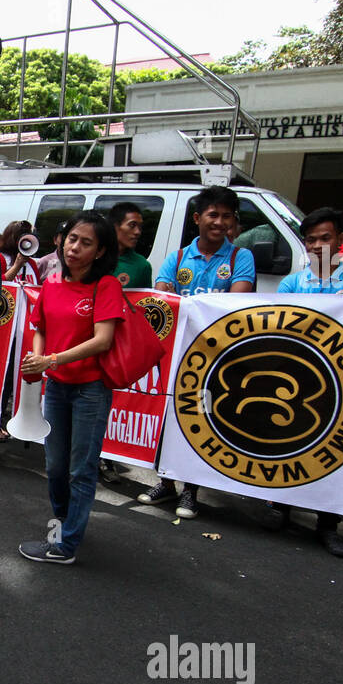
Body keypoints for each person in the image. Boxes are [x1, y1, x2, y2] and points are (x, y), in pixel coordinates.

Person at [262, 207, 343, 558]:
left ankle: (327, 524)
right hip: (295, 380)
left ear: (341, 242)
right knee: (287, 441)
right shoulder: (291, 284)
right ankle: (280, 507)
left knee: (331, 450)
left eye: (325, 238)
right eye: (311, 240)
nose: (318, 245)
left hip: (340, 385)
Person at [16, 210, 124, 565]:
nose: (75, 248)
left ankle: (65, 545)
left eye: (86, 243)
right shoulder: (52, 283)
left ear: (101, 251)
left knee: (81, 468)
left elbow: (103, 340)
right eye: (72, 239)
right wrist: (38, 358)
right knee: (56, 466)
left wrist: (51, 360)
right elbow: (40, 328)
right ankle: (64, 525)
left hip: (90, 389)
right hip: (57, 389)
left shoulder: (105, 285)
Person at [144, 185, 256, 519]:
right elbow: (162, 297)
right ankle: (164, 482)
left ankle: (191, 490)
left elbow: (236, 301)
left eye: (226, 216)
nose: (220, 222)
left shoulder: (241, 257)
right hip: (177, 356)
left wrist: (187, 301)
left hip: (215, 359)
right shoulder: (178, 257)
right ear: (197, 219)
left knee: (200, 420)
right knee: (167, 417)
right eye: (213, 215)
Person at [108, 202, 153, 289]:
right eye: (132, 225)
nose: (137, 232)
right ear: (115, 226)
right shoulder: (94, 258)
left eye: (140, 227)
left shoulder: (142, 265)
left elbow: (144, 301)